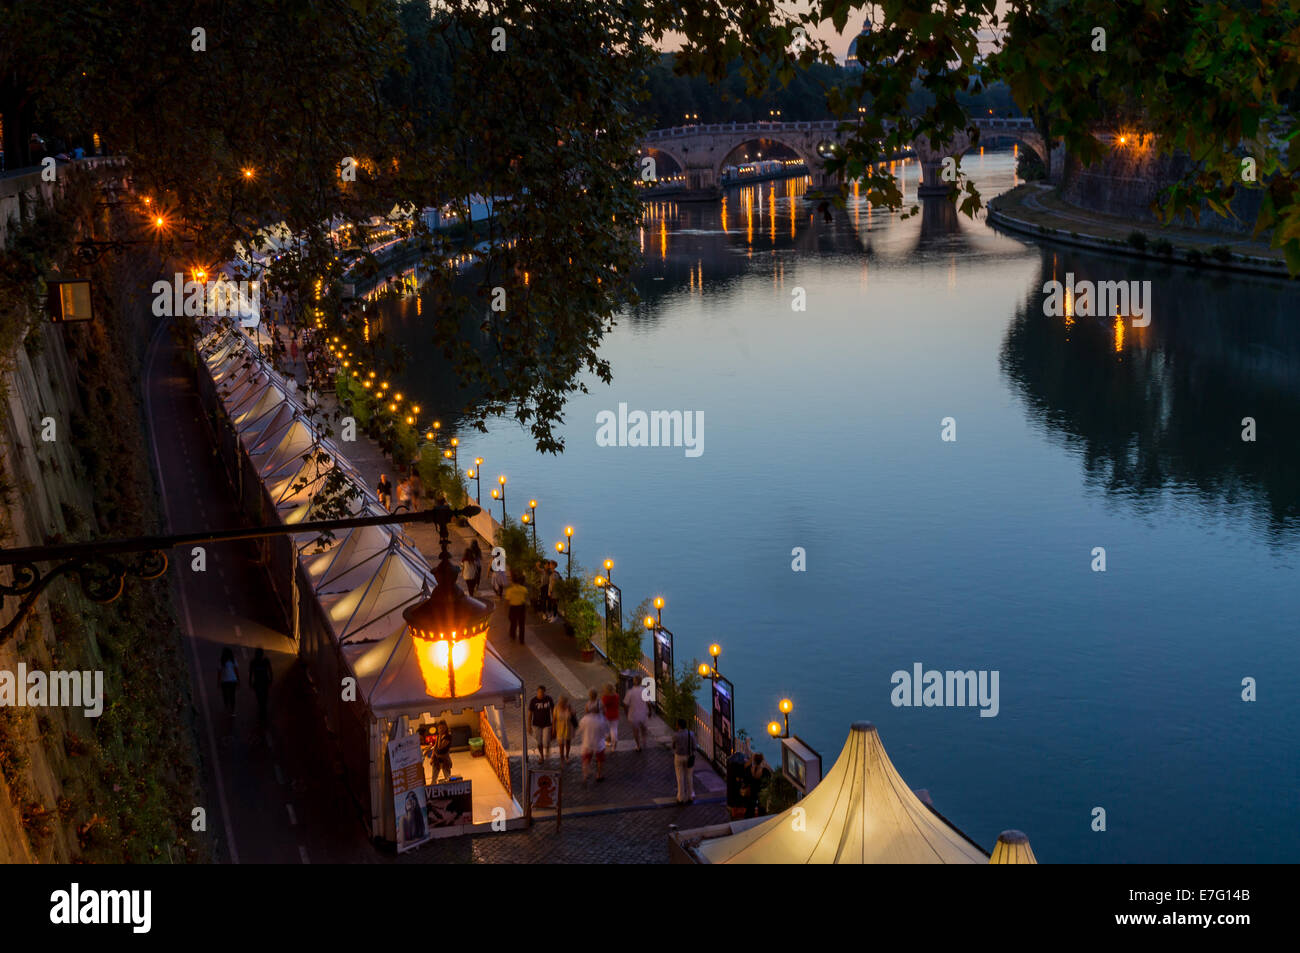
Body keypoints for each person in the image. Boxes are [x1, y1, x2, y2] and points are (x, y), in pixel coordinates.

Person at [577, 705, 607, 785]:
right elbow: (604, 732)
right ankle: (599, 775)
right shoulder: (601, 720)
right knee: (600, 760)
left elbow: (580, 729)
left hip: (587, 743)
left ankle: (585, 776)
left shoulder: (584, 719)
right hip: (599, 743)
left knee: (586, 760)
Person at [528, 685, 555, 764]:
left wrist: (554, 723)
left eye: (542, 692)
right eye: (539, 692)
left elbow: (553, 711)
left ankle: (547, 750)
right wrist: (529, 726)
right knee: (539, 742)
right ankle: (542, 756)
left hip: (547, 724)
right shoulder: (533, 701)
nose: (541, 694)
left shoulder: (549, 699)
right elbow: (530, 714)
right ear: (537, 692)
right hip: (536, 725)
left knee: (546, 741)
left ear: (544, 692)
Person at [672, 718, 696, 804]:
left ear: (679, 725)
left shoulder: (676, 735)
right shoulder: (691, 734)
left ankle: (681, 797)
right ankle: (691, 795)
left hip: (679, 757)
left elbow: (673, 746)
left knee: (680, 777)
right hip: (689, 756)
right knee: (689, 776)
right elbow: (694, 747)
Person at [623, 678, 650, 752]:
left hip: (633, 715)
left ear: (633, 682)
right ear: (641, 682)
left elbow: (625, 704)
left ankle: (638, 745)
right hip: (643, 713)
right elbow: (648, 702)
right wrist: (650, 711)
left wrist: (626, 713)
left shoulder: (630, 692)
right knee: (643, 729)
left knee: (636, 731)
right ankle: (644, 741)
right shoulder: (644, 690)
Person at [742, 752, 772, 818]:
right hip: (761, 793)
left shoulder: (749, 770)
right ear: (762, 761)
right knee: (762, 811)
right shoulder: (765, 771)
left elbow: (745, 778)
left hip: (751, 793)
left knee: (750, 811)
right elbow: (769, 780)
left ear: (754, 761)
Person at [505, 571, 528, 643]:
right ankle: (522, 639)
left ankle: (513, 635)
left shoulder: (510, 590)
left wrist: (506, 609)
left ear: (512, 581)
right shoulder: (524, 589)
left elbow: (507, 601)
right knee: (521, 624)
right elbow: (525, 598)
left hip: (513, 608)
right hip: (521, 607)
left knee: (513, 623)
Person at [250, 647, 273, 720]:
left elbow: (251, 673)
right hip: (264, 682)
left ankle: (262, 708)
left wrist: (250, 681)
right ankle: (263, 708)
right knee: (264, 697)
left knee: (260, 697)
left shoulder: (253, 661)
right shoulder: (265, 661)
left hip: (258, 682)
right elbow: (270, 671)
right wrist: (271, 680)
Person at [553, 696, 576, 765]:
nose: (562, 704)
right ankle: (562, 757)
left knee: (568, 742)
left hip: (568, 728)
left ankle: (567, 756)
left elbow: (574, 714)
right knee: (561, 744)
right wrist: (553, 729)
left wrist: (570, 710)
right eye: (561, 702)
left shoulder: (569, 707)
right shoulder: (556, 708)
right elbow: (554, 719)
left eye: (563, 703)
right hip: (560, 728)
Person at [217, 647, 239, 715]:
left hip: (224, 681)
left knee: (225, 695)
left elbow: (219, 672)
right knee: (232, 695)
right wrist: (238, 679)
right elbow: (236, 671)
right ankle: (232, 710)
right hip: (233, 680)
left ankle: (227, 706)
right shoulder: (233, 661)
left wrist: (218, 681)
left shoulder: (221, 661)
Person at [600, 683, 621, 752]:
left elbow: (603, 707)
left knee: (606, 730)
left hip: (607, 715)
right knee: (614, 730)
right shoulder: (617, 696)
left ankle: (608, 741)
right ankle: (614, 744)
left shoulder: (605, 697)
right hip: (615, 715)